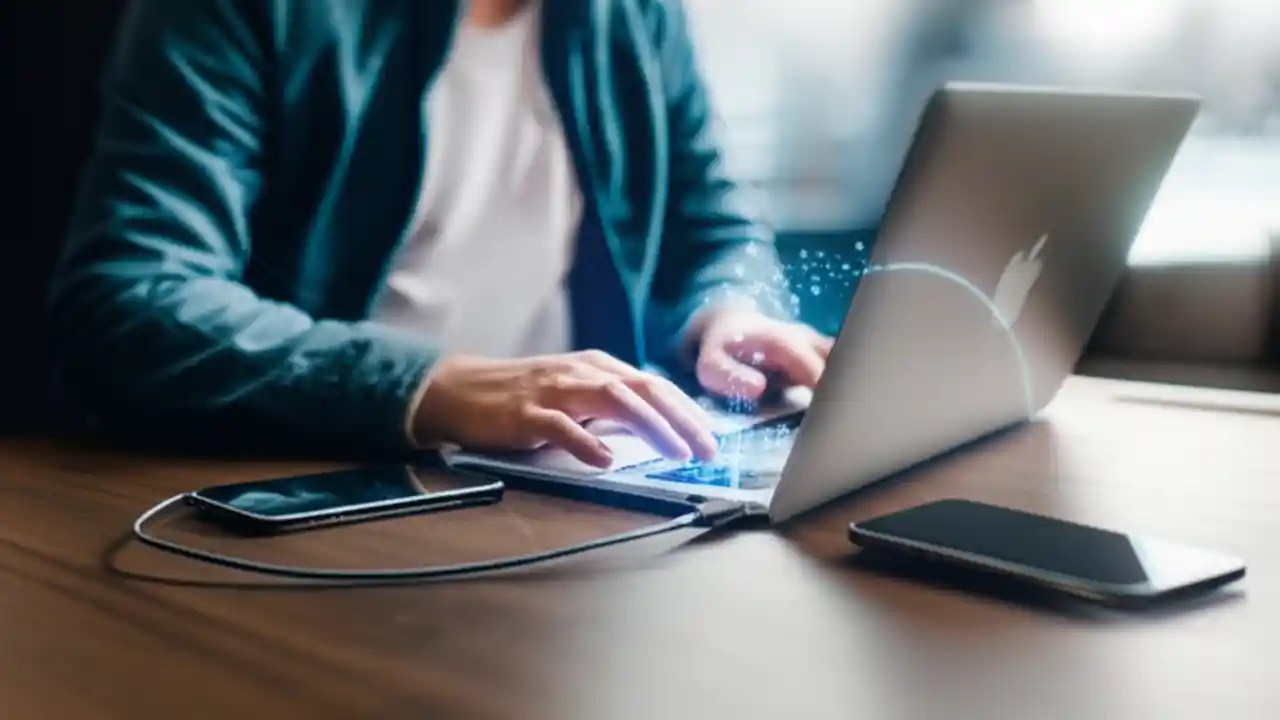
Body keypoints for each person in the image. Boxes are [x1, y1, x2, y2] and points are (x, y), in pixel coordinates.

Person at [47, 0, 832, 467]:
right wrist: (429, 386)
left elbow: (715, 226)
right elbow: (131, 297)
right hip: (339, 489)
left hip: (575, 494)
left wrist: (728, 312)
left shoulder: (636, 13)